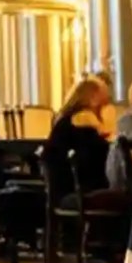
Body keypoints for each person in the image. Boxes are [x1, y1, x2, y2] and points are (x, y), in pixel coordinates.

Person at [44, 76, 118, 211]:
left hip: (61, 192)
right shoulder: (82, 121)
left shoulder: (66, 120)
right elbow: (98, 161)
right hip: (77, 193)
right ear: (93, 97)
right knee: (129, 199)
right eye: (104, 102)